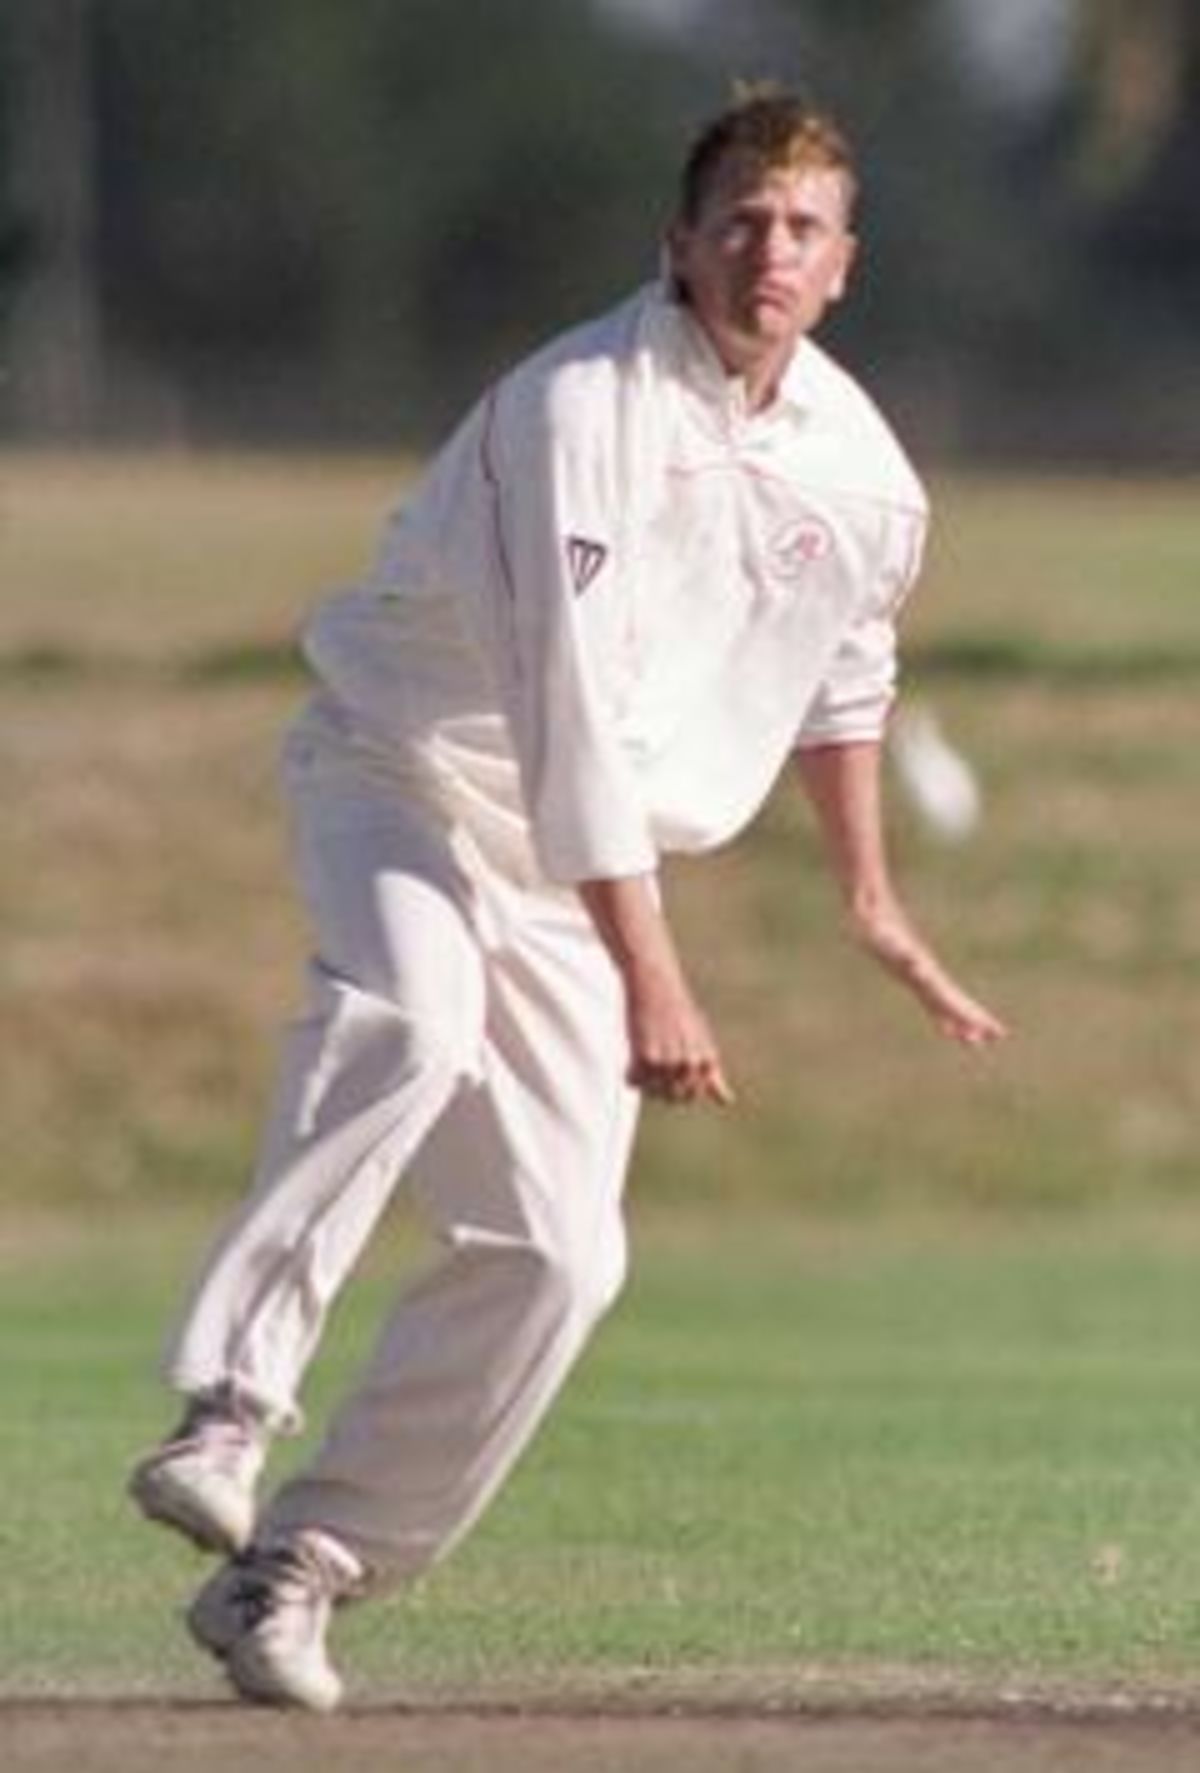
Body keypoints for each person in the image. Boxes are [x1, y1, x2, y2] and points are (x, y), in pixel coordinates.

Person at [129, 87, 1007, 1712]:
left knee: (559, 1254)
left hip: (576, 869)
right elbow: (569, 717)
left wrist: (873, 899)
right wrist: (655, 976)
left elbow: (847, 670)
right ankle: (228, 1409)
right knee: (409, 1018)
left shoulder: (865, 474)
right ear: (679, 242)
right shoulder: (577, 408)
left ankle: (298, 1565)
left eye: (803, 227)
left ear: (844, 265)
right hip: (404, 770)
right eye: (741, 219)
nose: (769, 249)